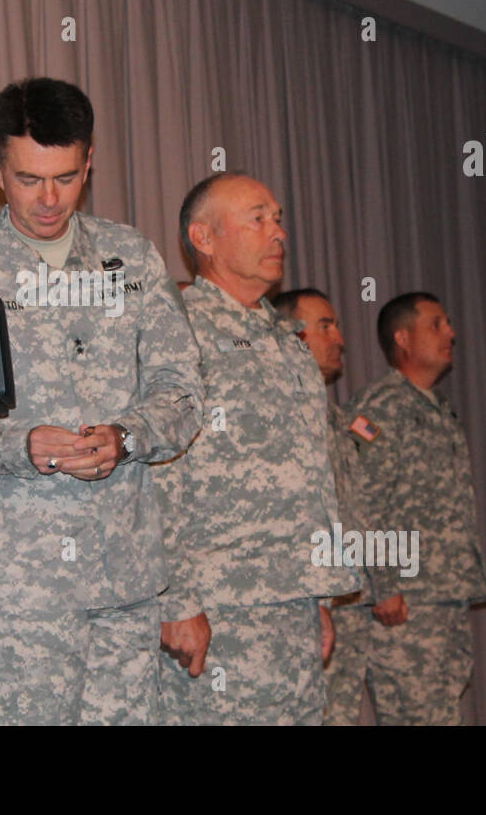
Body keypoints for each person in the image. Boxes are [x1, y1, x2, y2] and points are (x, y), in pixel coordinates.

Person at [0, 78, 203, 725]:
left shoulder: (136, 263)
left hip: (125, 580)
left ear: (89, 162)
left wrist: (128, 436)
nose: (48, 198)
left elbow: (183, 397)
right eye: (28, 178)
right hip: (22, 596)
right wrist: (20, 446)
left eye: (66, 177)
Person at [156, 174, 357, 725]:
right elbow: (157, 472)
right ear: (204, 237)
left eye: (279, 218)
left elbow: (312, 481)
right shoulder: (176, 331)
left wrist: (317, 596)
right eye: (258, 218)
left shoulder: (286, 341)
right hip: (220, 609)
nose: (278, 233)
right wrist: (176, 601)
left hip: (290, 606)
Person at [344, 292, 486, 724]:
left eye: (448, 323)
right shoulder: (380, 407)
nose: (451, 333)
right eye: (436, 324)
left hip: (443, 594)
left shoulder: (439, 408)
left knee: (440, 715)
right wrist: (383, 583)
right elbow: (359, 497)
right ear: (403, 339)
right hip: (406, 600)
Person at [274, 287, 372, 725]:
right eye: (325, 326)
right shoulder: (278, 411)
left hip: (348, 596)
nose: (341, 338)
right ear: (293, 336)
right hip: (305, 599)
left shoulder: (334, 416)